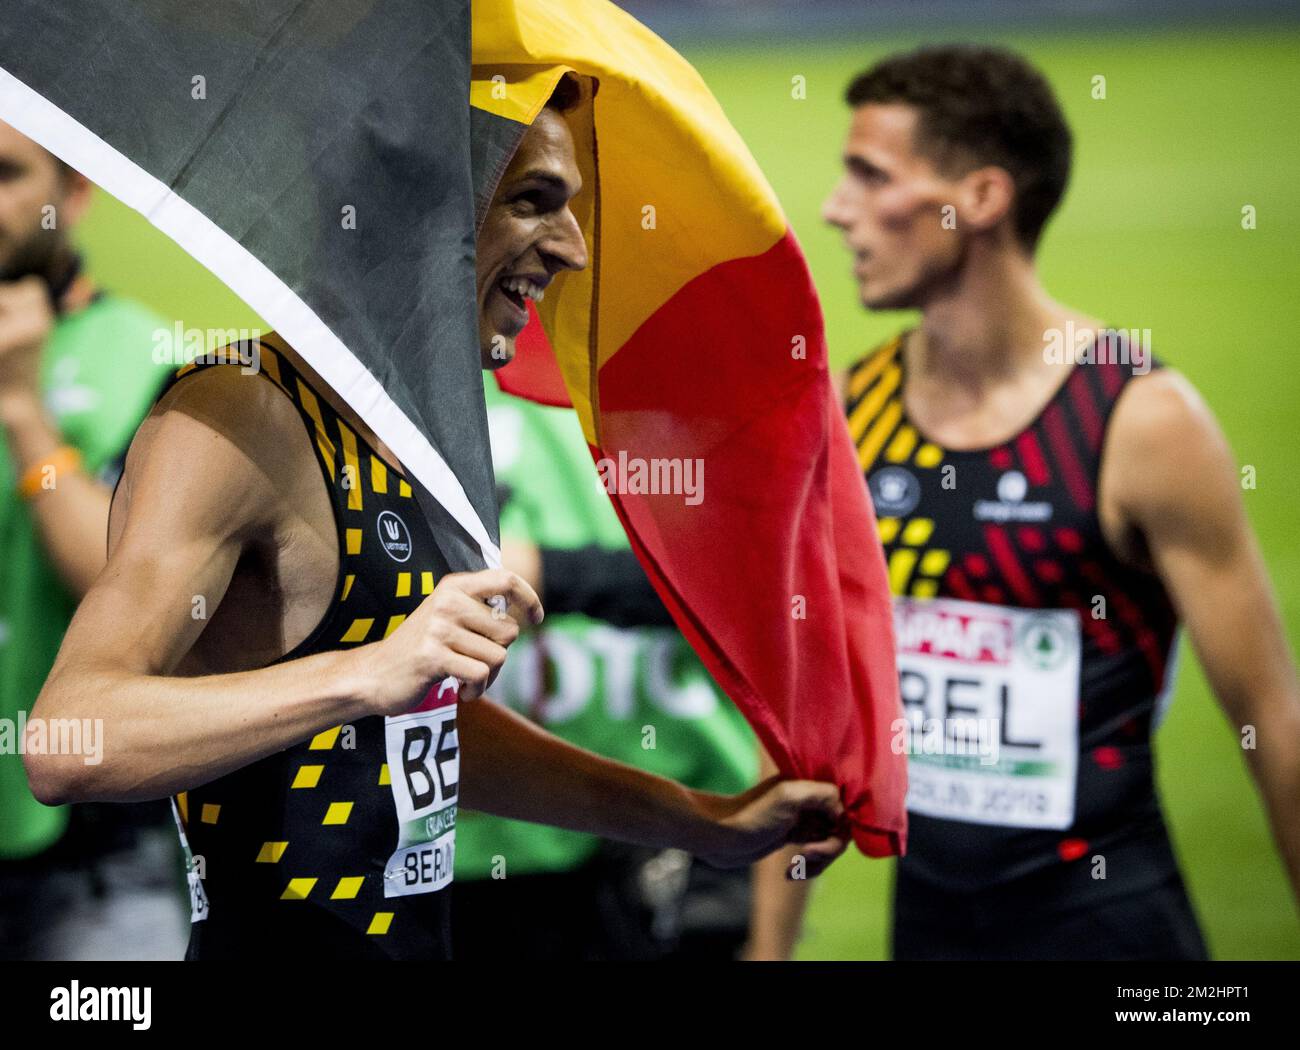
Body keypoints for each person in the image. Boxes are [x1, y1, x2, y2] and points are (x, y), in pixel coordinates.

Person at [24, 79, 848, 961]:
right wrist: (368, 672)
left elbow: (421, 723)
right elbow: (71, 738)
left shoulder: (414, 430)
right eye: (536, 201)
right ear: (411, 207)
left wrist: (701, 822)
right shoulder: (235, 414)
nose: (572, 248)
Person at [749, 44, 1300, 961]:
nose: (835, 209)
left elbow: (1272, 724)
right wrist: (768, 953)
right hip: (925, 931)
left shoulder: (1139, 420)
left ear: (984, 198)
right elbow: (801, 714)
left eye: (870, 175)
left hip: (1115, 935)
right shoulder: (854, 409)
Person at [451, 378, 759, 960]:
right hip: (457, 839)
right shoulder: (396, 391)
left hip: (659, 832)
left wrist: (548, 572)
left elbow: (756, 580)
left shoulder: (670, 388)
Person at [0, 120, 187, 959]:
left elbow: (130, 585)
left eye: (6, 174)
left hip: (102, 856)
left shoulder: (161, 358)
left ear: (74, 193)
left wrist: (22, 412)